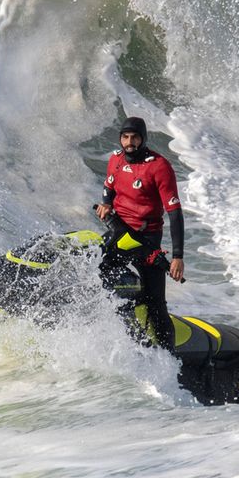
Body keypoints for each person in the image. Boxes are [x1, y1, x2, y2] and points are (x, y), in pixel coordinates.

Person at [96, 117, 185, 350]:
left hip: (146, 240)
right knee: (99, 276)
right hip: (119, 233)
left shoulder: (159, 166)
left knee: (156, 302)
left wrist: (177, 256)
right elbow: (109, 185)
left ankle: (169, 356)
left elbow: (175, 213)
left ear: (143, 138)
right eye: (125, 137)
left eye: (134, 137)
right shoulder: (115, 159)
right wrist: (106, 203)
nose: (129, 142)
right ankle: (126, 333)